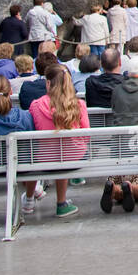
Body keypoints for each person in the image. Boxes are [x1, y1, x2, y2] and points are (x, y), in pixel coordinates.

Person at [98, 55, 138, 213]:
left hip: (119, 150)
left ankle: (116, 189)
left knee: (118, 180)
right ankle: (129, 188)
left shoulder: (117, 91)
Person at [25, 64, 87, 217]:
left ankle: (28, 200)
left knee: (41, 152)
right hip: (73, 156)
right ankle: (61, 203)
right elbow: (86, 134)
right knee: (64, 149)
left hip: (44, 158)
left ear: (48, 83)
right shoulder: (79, 104)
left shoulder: (36, 105)